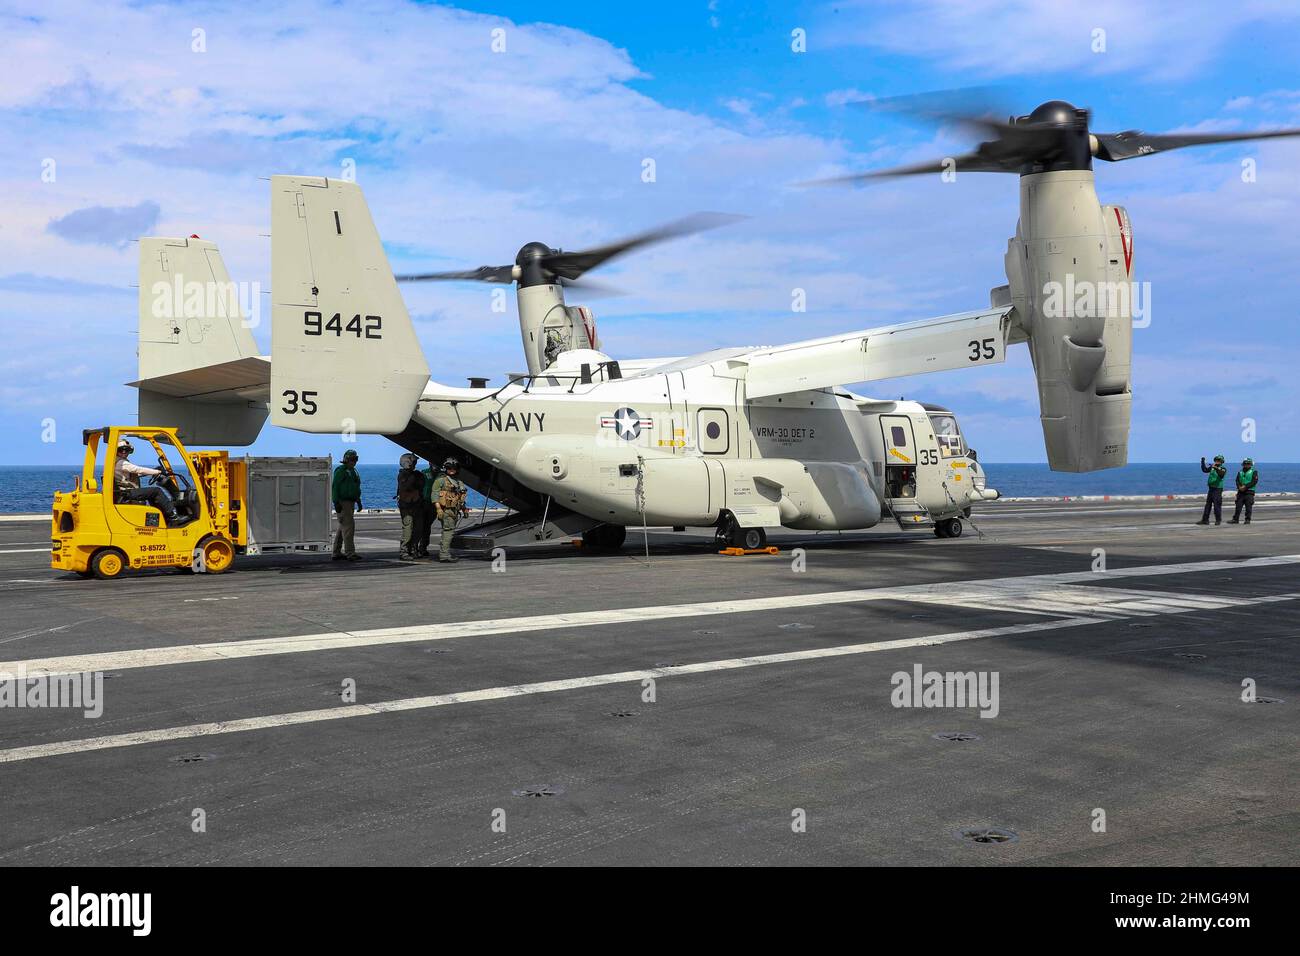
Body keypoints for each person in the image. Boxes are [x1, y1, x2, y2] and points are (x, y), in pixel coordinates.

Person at [113, 439, 180, 523]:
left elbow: (133, 473)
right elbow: (138, 469)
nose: (124, 452)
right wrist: (158, 472)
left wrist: (152, 471)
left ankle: (163, 516)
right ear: (116, 451)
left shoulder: (114, 461)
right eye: (121, 450)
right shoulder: (121, 463)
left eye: (126, 450)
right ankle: (172, 515)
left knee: (151, 494)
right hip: (127, 493)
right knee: (156, 491)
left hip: (123, 492)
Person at [429, 457, 468, 563]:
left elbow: (461, 497)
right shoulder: (440, 480)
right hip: (445, 510)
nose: (451, 470)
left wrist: (464, 509)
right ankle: (444, 555)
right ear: (446, 468)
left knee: (449, 531)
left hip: (454, 510)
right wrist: (438, 509)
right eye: (449, 468)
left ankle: (444, 553)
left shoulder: (458, 482)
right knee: (448, 531)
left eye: (454, 468)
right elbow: (435, 495)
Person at [331, 449, 364, 561]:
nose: (354, 461)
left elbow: (356, 487)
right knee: (349, 528)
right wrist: (336, 502)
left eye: (355, 459)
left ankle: (336, 552)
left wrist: (358, 501)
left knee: (343, 528)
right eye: (352, 459)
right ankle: (350, 553)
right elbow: (335, 487)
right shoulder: (341, 471)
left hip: (350, 502)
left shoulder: (353, 471)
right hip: (343, 502)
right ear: (346, 460)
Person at [395, 453, 425, 560]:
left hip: (416, 504)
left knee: (418, 529)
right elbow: (407, 486)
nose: (415, 464)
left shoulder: (416, 475)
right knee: (408, 528)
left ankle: (413, 548)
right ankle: (404, 551)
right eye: (414, 462)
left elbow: (421, 484)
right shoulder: (402, 475)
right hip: (406, 506)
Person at [414, 458, 437, 559]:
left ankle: (423, 548)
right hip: (423, 503)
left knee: (427, 527)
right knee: (419, 527)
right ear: (430, 463)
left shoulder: (441, 475)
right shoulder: (424, 473)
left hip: (434, 504)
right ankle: (414, 549)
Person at [1196, 454, 1227, 525]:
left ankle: (1218, 520)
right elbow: (1205, 470)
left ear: (1222, 461)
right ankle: (1205, 520)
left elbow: (1221, 474)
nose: (1217, 461)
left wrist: (1215, 467)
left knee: (1217, 505)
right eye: (1216, 460)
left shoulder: (1223, 468)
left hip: (1217, 489)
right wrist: (1202, 462)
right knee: (1208, 505)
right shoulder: (1212, 468)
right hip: (1211, 489)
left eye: (1218, 460)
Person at [1230, 457, 1259, 525]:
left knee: (1248, 507)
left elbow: (1254, 481)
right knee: (1238, 506)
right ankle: (1235, 519)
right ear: (1243, 464)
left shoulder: (1254, 472)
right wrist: (1239, 487)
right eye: (1245, 463)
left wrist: (1245, 486)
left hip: (1249, 492)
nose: (1246, 465)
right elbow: (1237, 480)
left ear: (1251, 464)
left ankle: (1247, 520)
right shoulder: (1240, 472)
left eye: (1248, 463)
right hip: (1240, 492)